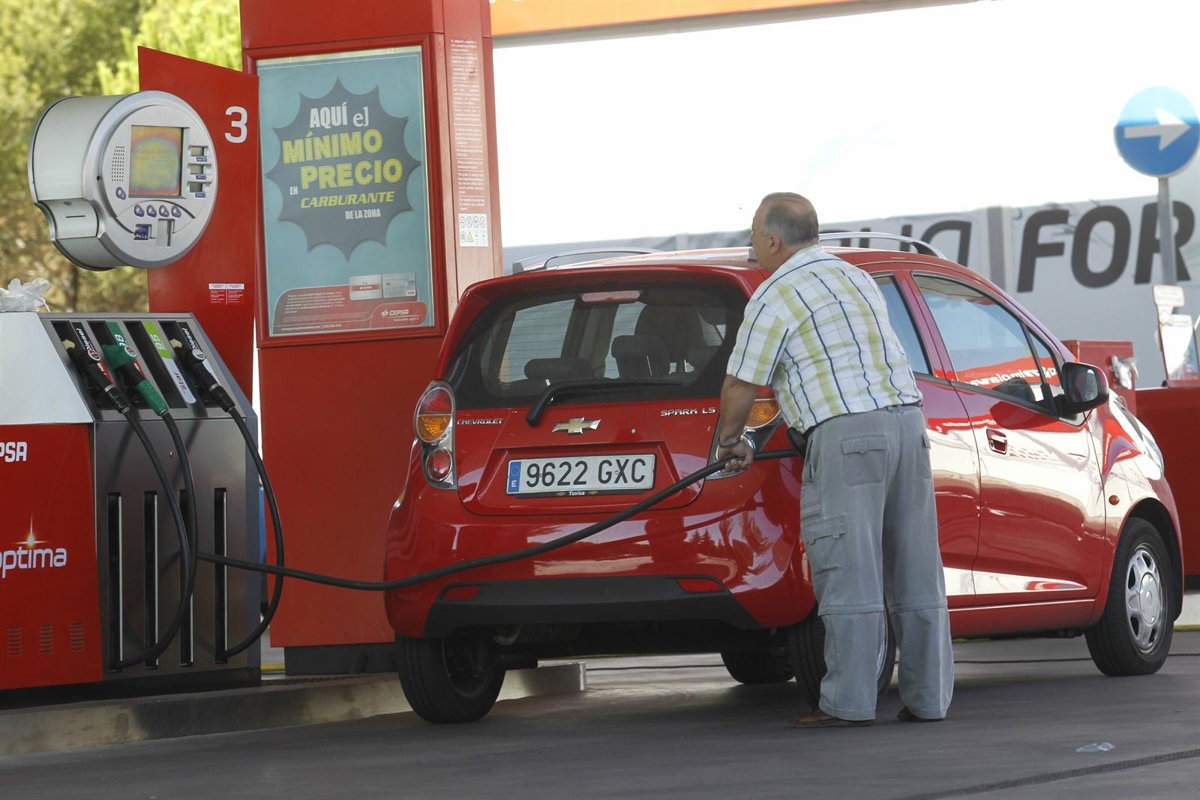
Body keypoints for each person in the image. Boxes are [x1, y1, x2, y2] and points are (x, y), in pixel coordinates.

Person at [716, 192, 954, 728]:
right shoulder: (855, 277)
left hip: (848, 435)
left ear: (773, 240)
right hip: (907, 425)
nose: (750, 243)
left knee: (850, 571)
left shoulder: (775, 292)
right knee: (916, 568)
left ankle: (847, 704)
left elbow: (739, 383)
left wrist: (728, 441)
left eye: (753, 233)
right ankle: (929, 699)